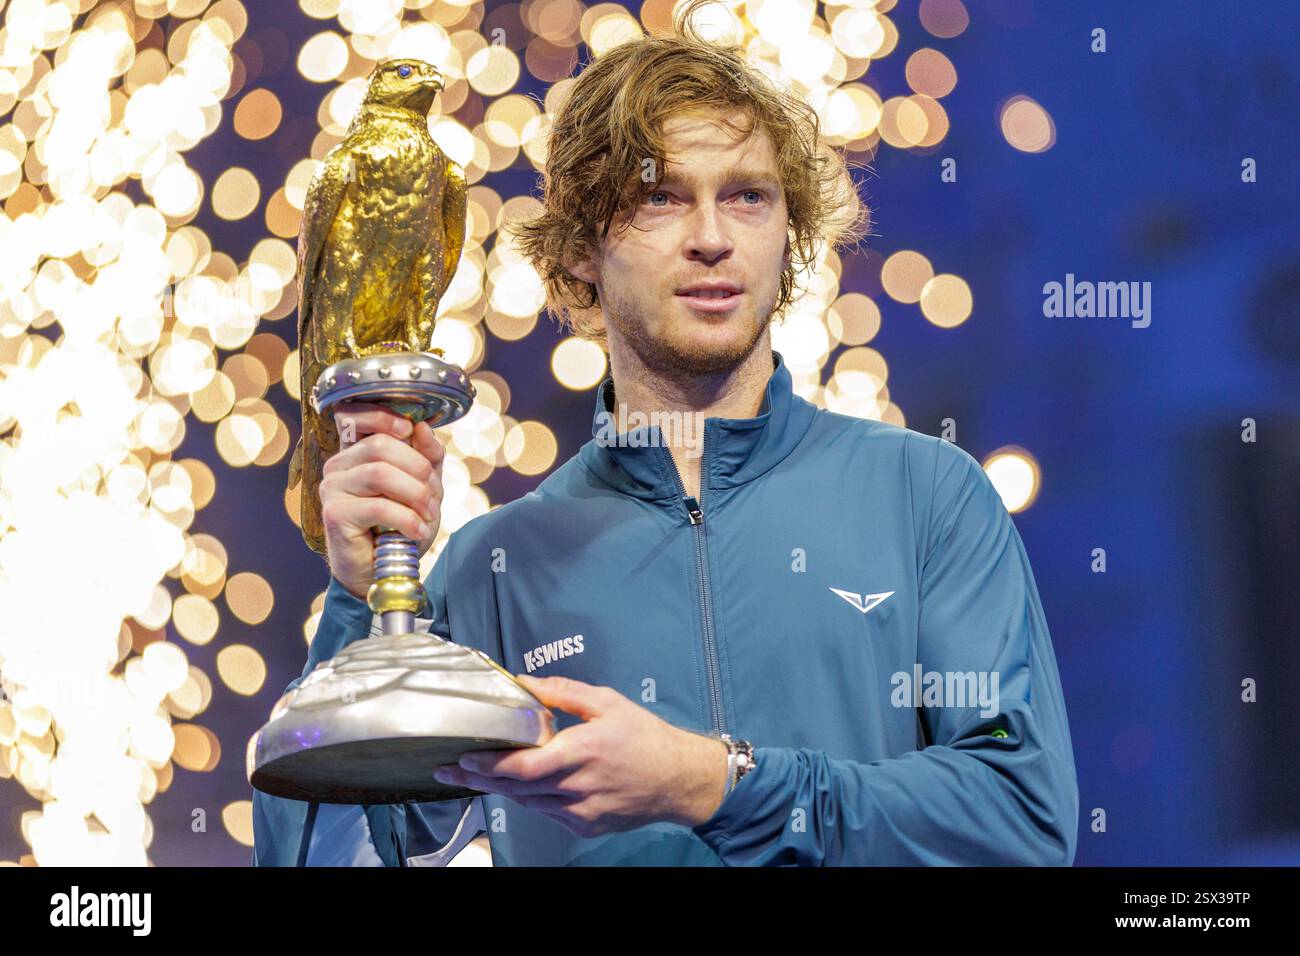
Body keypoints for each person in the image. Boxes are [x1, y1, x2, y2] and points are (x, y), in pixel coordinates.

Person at [252, 0, 1078, 866]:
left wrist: (712, 782)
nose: (713, 238)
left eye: (748, 197)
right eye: (660, 198)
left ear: (789, 233)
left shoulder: (928, 498)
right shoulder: (488, 570)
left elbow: (1022, 826)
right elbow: (320, 858)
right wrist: (357, 597)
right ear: (577, 251)